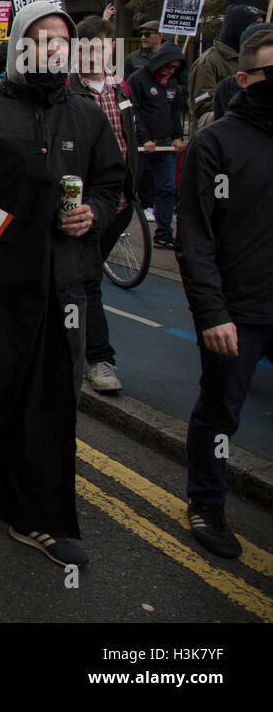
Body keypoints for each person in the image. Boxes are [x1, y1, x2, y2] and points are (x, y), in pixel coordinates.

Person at [0, 1, 125, 569]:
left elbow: (111, 183)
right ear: (20, 46)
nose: (52, 48)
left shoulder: (88, 114)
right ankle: (2, 485)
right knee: (2, 392)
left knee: (58, 399)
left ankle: (40, 513)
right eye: (40, 38)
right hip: (2, 284)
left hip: (67, 283)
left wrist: (94, 214)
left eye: (61, 40)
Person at [176, 30, 273, 559]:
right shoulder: (214, 144)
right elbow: (195, 236)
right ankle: (207, 501)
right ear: (245, 80)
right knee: (221, 412)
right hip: (240, 310)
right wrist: (212, 313)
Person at [70, 16, 137, 396]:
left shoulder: (121, 88)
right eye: (88, 47)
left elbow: (131, 135)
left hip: (121, 202)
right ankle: (99, 358)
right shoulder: (70, 92)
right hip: (85, 204)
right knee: (90, 276)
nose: (95, 54)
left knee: (85, 277)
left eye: (102, 47)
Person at [127, 44, 186, 249]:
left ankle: (164, 233)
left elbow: (174, 114)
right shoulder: (137, 80)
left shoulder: (173, 85)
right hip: (142, 147)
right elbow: (132, 111)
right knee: (129, 187)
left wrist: (177, 137)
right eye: (168, 67)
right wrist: (143, 138)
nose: (170, 72)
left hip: (165, 145)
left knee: (168, 188)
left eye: (174, 68)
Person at [189, 5, 262, 124]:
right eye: (256, 25)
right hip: (221, 135)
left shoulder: (252, 58)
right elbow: (202, 109)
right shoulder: (208, 62)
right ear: (239, 27)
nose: (260, 30)